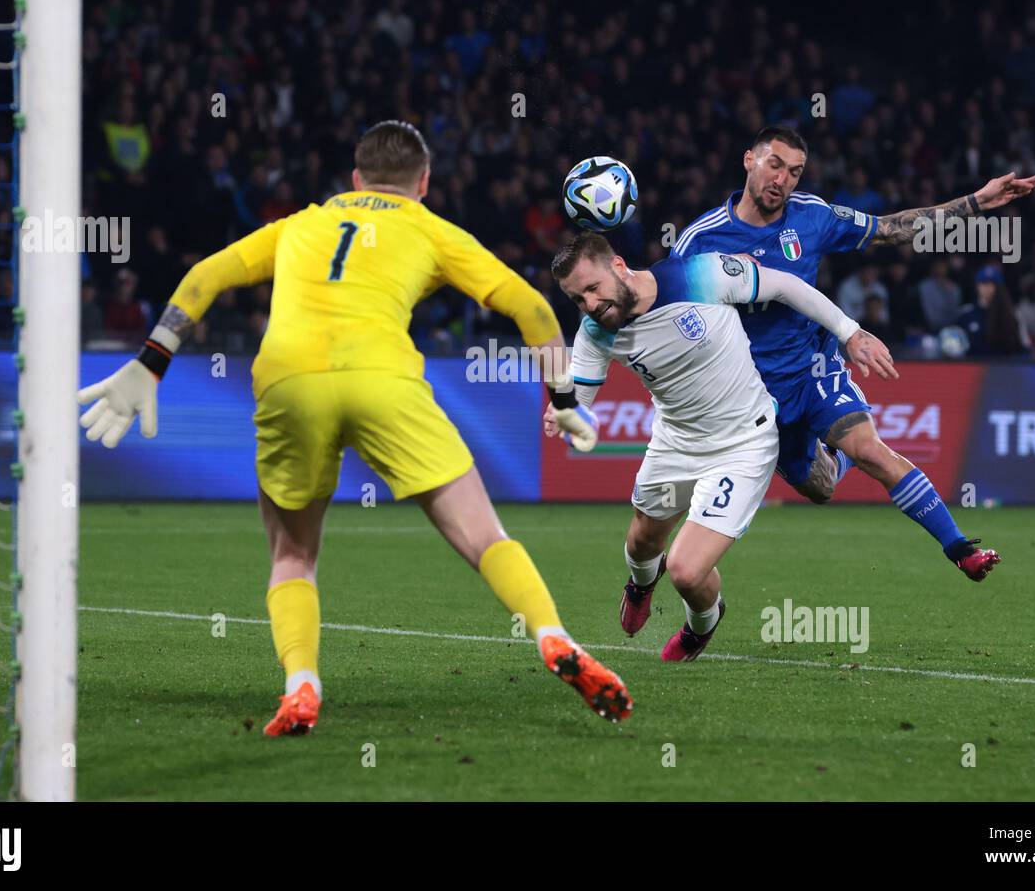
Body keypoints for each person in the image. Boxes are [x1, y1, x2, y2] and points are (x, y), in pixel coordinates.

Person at [77, 120, 632, 734]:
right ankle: (552, 636)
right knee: (484, 536)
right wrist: (562, 399)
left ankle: (302, 685)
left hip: (289, 380)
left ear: (354, 178)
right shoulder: (430, 228)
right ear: (423, 182)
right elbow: (530, 307)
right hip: (382, 379)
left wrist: (151, 362)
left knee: (292, 555)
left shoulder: (300, 224)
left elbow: (206, 275)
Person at [673, 126, 1035, 580]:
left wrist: (977, 202)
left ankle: (960, 548)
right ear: (749, 160)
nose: (782, 179)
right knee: (822, 486)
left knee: (872, 450)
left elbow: (890, 229)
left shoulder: (812, 217)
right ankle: (836, 454)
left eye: (794, 172)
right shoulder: (699, 241)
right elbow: (665, 317)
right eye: (774, 165)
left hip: (813, 366)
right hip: (754, 395)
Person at [548, 232, 896, 659]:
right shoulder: (595, 333)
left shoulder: (701, 274)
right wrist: (565, 413)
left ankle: (702, 624)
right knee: (641, 543)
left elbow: (786, 286)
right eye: (577, 298)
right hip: (676, 443)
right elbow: (578, 399)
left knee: (686, 570)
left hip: (744, 442)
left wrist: (850, 331)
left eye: (592, 288)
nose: (588, 304)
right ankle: (639, 585)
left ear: (618, 266)